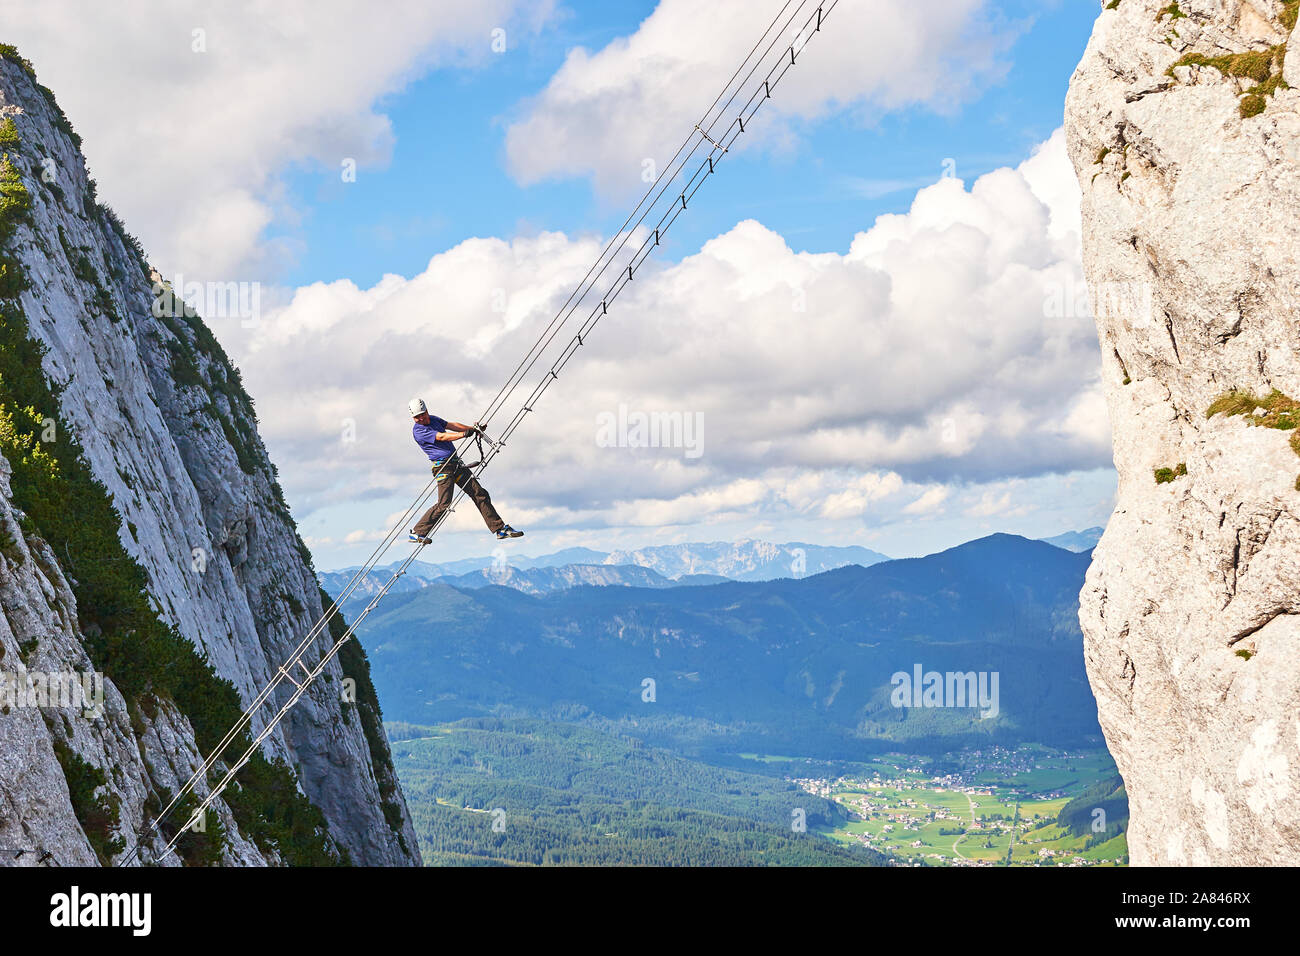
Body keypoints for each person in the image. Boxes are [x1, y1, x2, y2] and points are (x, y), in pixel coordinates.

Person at [407, 398, 523, 544]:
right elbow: (442, 436)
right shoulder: (419, 431)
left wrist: (472, 429)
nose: (422, 418)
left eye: (423, 414)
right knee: (444, 503)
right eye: (417, 417)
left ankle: (499, 529)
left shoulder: (433, 419)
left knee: (479, 493)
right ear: (413, 417)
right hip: (443, 468)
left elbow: (452, 425)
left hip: (455, 464)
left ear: (427, 410)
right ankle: (418, 532)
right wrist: (463, 435)